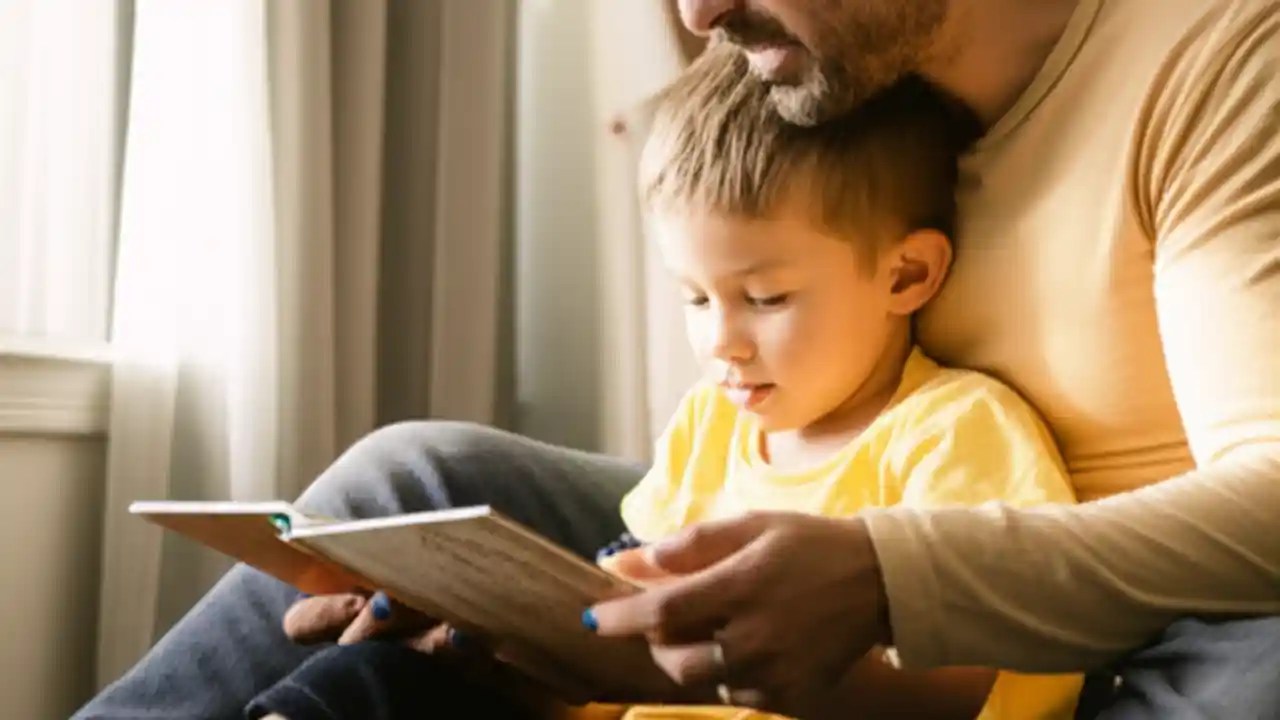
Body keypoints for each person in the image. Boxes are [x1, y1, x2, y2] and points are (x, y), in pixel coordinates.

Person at [75, 0, 1280, 718]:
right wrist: (536, 619)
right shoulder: (845, 92)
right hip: (851, 509)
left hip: (1135, 612)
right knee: (415, 484)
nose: (698, 11)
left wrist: (880, 574)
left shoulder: (1216, 57)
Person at [241, 46, 1081, 720]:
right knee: (382, 682)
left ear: (906, 276)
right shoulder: (710, 426)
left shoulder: (956, 433)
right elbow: (611, 669)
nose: (722, 343)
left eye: (766, 298)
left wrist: (718, 668)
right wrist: (505, 643)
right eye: (694, 298)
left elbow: (968, 683)